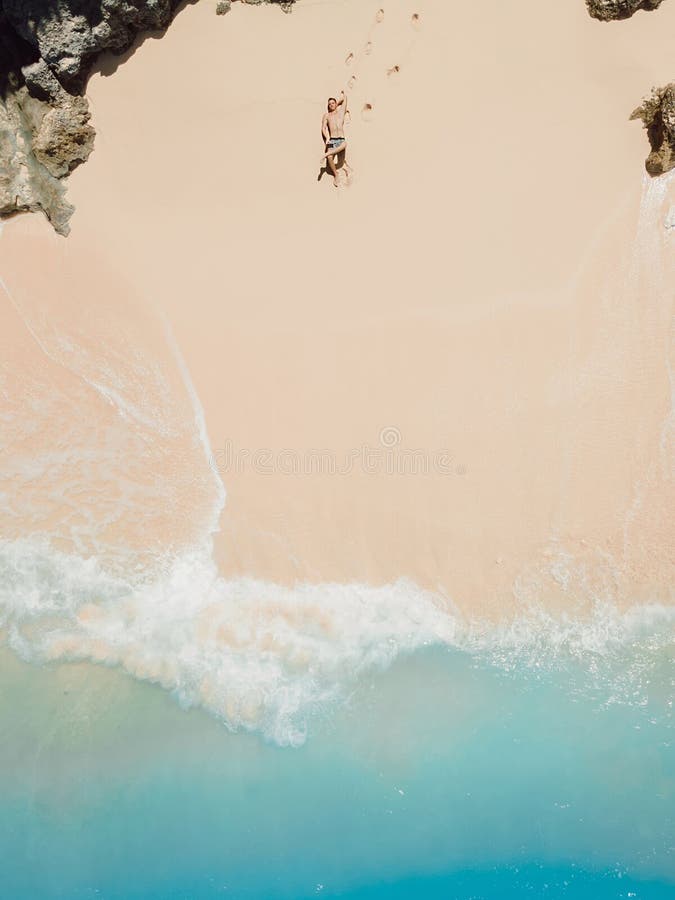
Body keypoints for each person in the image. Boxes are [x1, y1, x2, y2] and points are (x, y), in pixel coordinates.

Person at [321, 91, 351, 186]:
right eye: (329, 104)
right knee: (330, 158)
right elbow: (323, 128)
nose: (331, 105)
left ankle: (327, 153)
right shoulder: (327, 115)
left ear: (336, 104)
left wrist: (337, 102)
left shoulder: (341, 112)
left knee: (345, 144)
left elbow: (345, 98)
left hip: (341, 139)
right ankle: (336, 174)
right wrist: (326, 138)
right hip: (332, 139)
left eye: (332, 103)